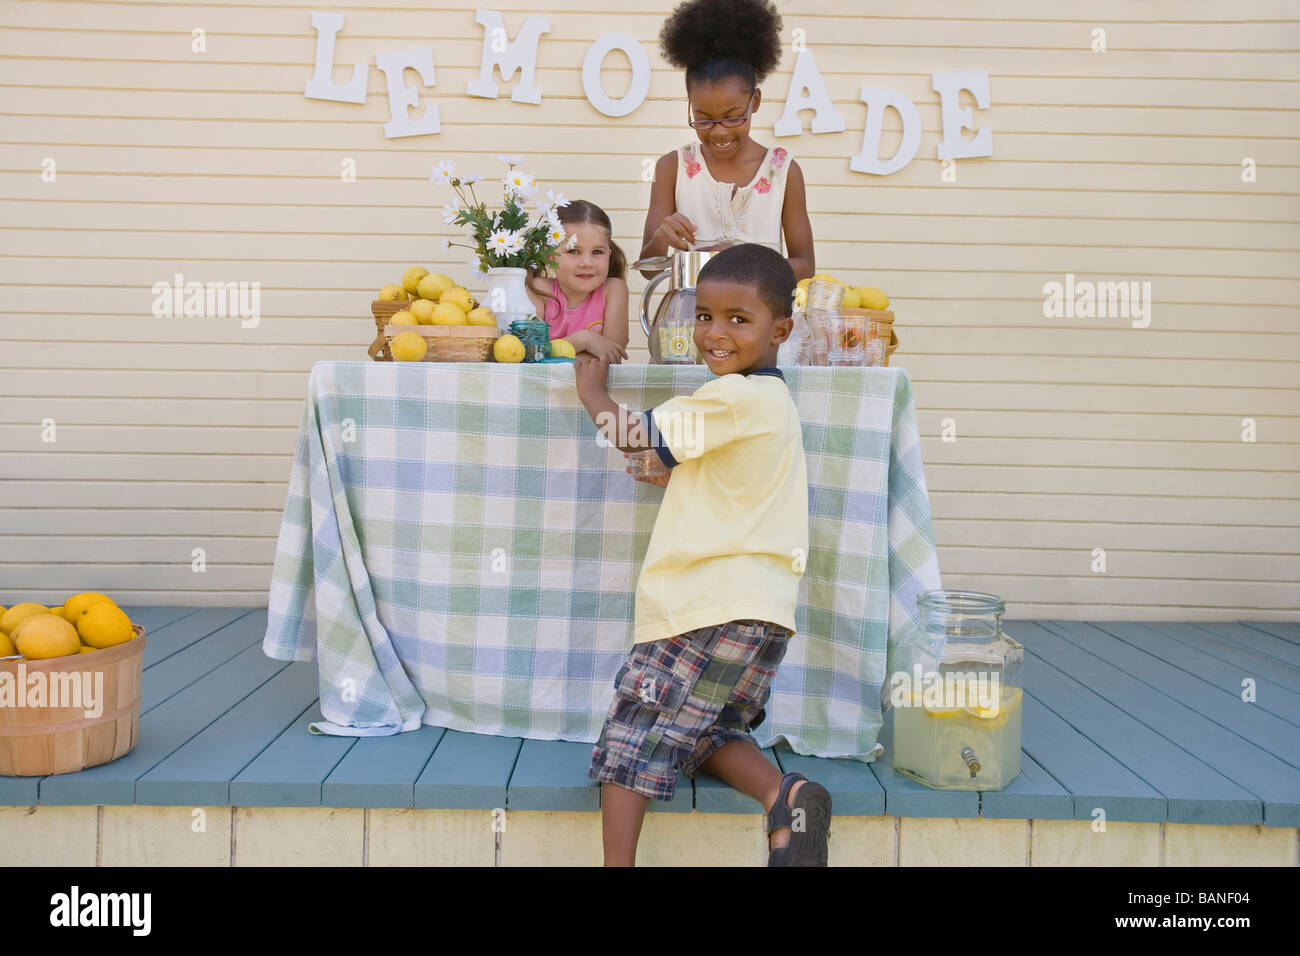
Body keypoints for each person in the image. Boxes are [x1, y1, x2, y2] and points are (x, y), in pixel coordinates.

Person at [573, 243, 831, 866]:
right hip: (761, 611)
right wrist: (676, 476)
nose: (715, 334)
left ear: (781, 329)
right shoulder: (770, 404)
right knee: (701, 734)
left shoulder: (733, 398)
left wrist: (591, 384)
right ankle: (783, 795)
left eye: (738, 319)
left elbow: (632, 435)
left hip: (702, 605)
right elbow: (731, 478)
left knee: (630, 739)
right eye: (705, 315)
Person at [639, 0, 814, 282]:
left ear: (754, 102)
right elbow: (648, 269)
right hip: (692, 322)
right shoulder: (673, 168)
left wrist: (741, 262)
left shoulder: (783, 172)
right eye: (704, 118)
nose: (719, 132)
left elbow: (805, 265)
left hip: (762, 324)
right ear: (690, 105)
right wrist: (662, 236)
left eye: (733, 117)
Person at [524, 199, 629, 363]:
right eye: (573, 251)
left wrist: (554, 353)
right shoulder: (539, 290)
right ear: (550, 255)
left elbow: (611, 355)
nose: (587, 262)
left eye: (597, 252)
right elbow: (531, 354)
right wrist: (584, 340)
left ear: (609, 253)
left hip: (594, 388)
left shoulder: (614, 290)